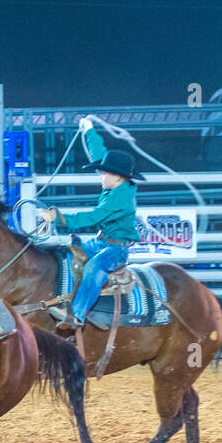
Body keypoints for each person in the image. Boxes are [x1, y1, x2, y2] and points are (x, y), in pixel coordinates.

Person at [40, 117, 143, 332]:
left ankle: (77, 315)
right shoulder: (115, 185)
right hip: (100, 242)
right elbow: (98, 154)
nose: (101, 174)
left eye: (105, 172)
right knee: (68, 254)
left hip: (116, 249)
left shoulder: (120, 198)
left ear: (117, 177)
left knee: (95, 267)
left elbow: (93, 217)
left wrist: (59, 217)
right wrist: (89, 129)